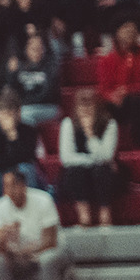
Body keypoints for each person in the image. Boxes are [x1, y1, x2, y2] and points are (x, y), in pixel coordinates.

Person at [0, 168, 71, 280]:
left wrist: (30, 251)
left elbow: (51, 240)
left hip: (49, 250)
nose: (9, 190)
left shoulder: (43, 199)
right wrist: (4, 238)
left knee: (47, 259)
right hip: (18, 256)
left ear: (23, 185)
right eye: (6, 186)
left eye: (13, 185)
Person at [57, 90, 118, 226]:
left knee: (102, 170)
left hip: (102, 172)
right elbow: (66, 158)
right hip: (80, 172)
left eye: (89, 107)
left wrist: (90, 135)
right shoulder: (68, 123)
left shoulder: (109, 123)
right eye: (82, 107)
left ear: (97, 108)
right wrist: (91, 161)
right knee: (75, 171)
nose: (85, 111)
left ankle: (105, 213)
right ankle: (84, 216)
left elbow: (106, 155)